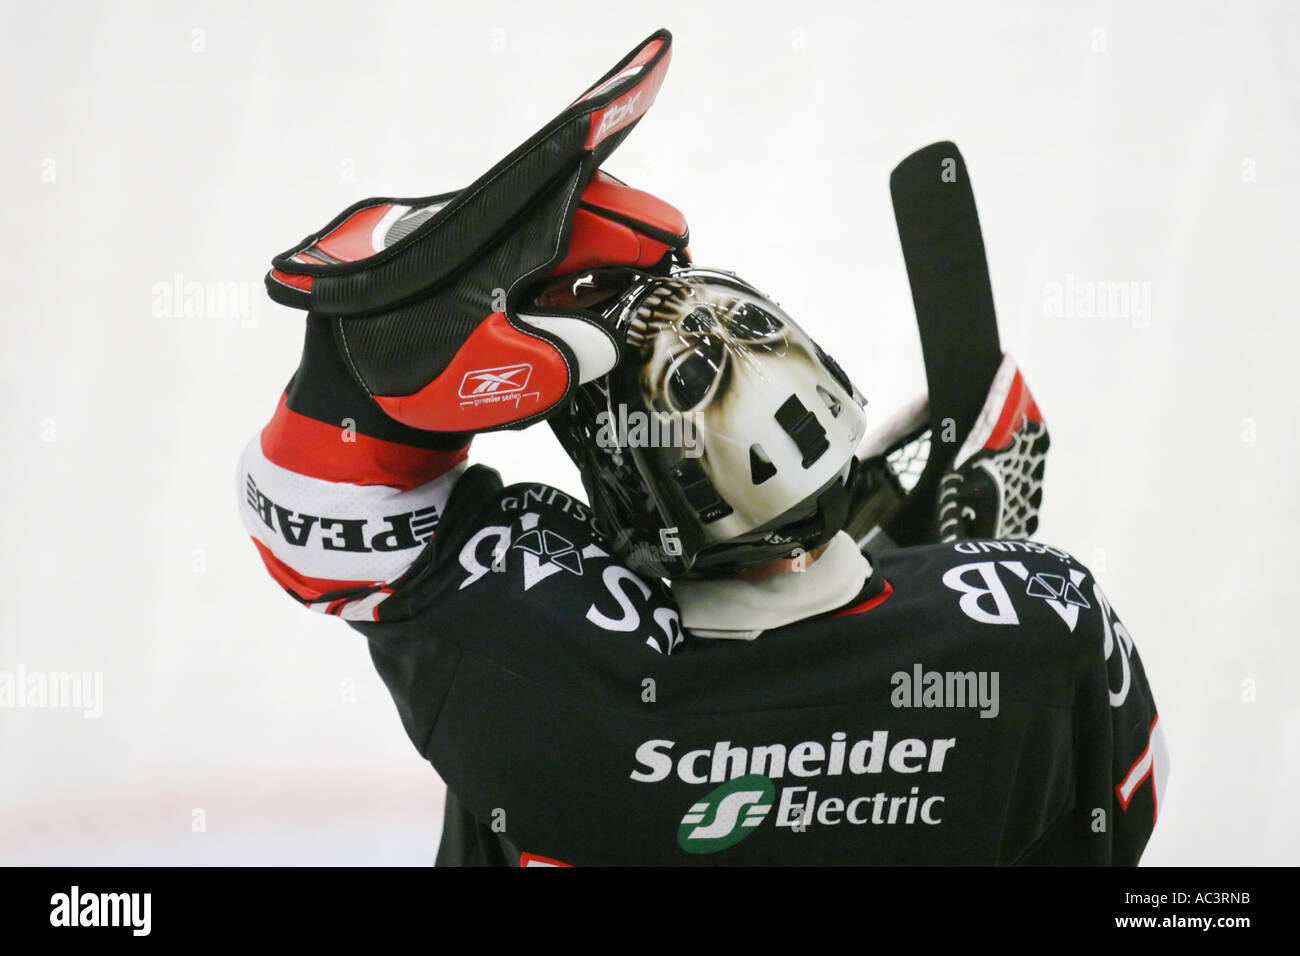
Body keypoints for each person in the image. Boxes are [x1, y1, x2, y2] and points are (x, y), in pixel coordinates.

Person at [237, 176, 1165, 866]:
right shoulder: (1044, 622)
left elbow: (313, 503)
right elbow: (1126, 807)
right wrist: (920, 591)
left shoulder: (540, 678)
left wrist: (405, 332)